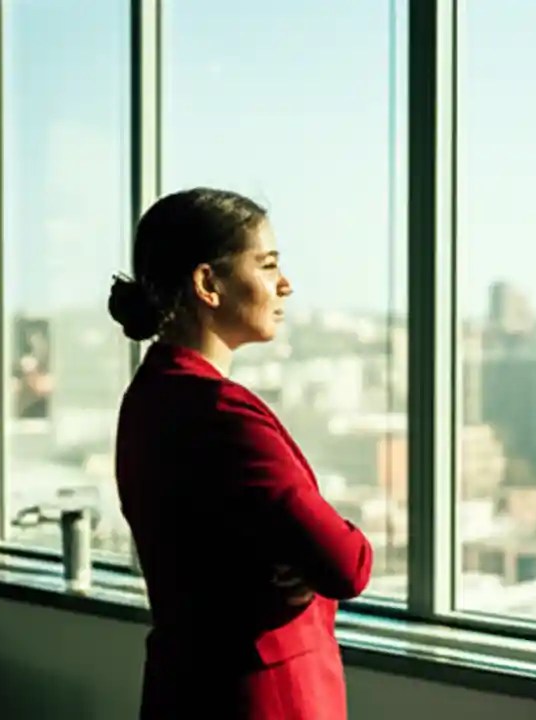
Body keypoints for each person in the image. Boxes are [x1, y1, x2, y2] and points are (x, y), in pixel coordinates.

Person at [108, 188, 373, 719]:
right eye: (268, 264)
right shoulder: (222, 414)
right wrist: (306, 559)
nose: (285, 284)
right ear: (208, 283)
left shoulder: (150, 395)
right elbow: (349, 565)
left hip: (183, 688)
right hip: (263, 697)